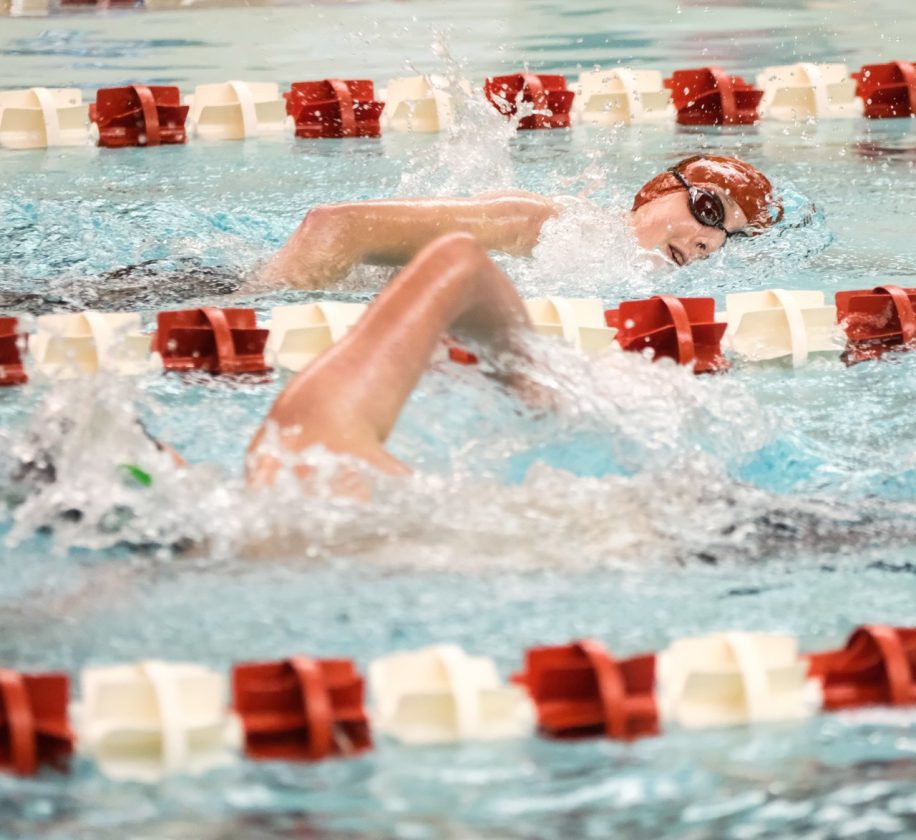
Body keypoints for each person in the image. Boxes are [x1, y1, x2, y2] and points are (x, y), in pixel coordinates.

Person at [256, 154, 781, 290]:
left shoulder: (602, 266)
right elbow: (334, 228)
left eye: (725, 237)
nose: (710, 241)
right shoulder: (539, 226)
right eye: (709, 211)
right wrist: (265, 311)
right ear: (659, 192)